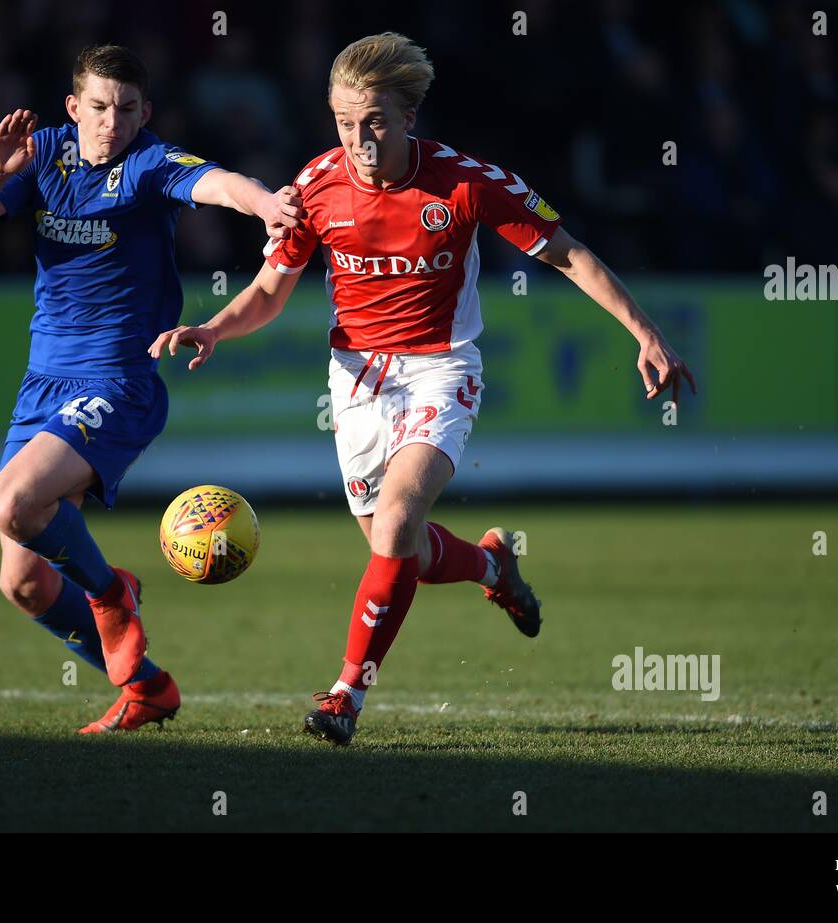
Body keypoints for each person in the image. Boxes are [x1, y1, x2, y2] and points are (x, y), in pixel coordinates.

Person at [152, 33, 695, 745]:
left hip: (443, 366)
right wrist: (216, 328)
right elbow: (268, 290)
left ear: (411, 116)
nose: (359, 138)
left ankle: (346, 694)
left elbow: (567, 254)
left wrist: (644, 331)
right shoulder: (316, 185)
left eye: (374, 121)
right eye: (345, 122)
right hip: (355, 380)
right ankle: (492, 564)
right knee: (394, 543)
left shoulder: (465, 183)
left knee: (399, 517)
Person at [0, 44, 304, 734]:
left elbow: (220, 183)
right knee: (23, 581)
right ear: (74, 108)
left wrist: (266, 206)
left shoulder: (149, 163)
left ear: (145, 113)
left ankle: (111, 593)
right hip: (41, 382)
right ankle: (145, 685)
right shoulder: (42, 154)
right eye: (100, 107)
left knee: (12, 500)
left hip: (117, 377)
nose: (113, 121)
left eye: (128, 109)